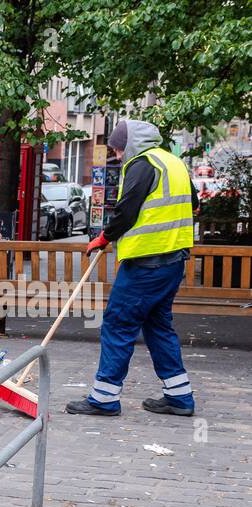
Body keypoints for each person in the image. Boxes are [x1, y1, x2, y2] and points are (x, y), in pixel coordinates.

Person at [67, 120, 199, 417]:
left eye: (117, 146)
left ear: (131, 144)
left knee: (118, 324)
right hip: (173, 260)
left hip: (145, 264)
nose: (115, 152)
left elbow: (126, 211)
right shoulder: (173, 162)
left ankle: (103, 398)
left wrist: (103, 237)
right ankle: (179, 397)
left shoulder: (142, 165)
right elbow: (195, 204)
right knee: (157, 325)